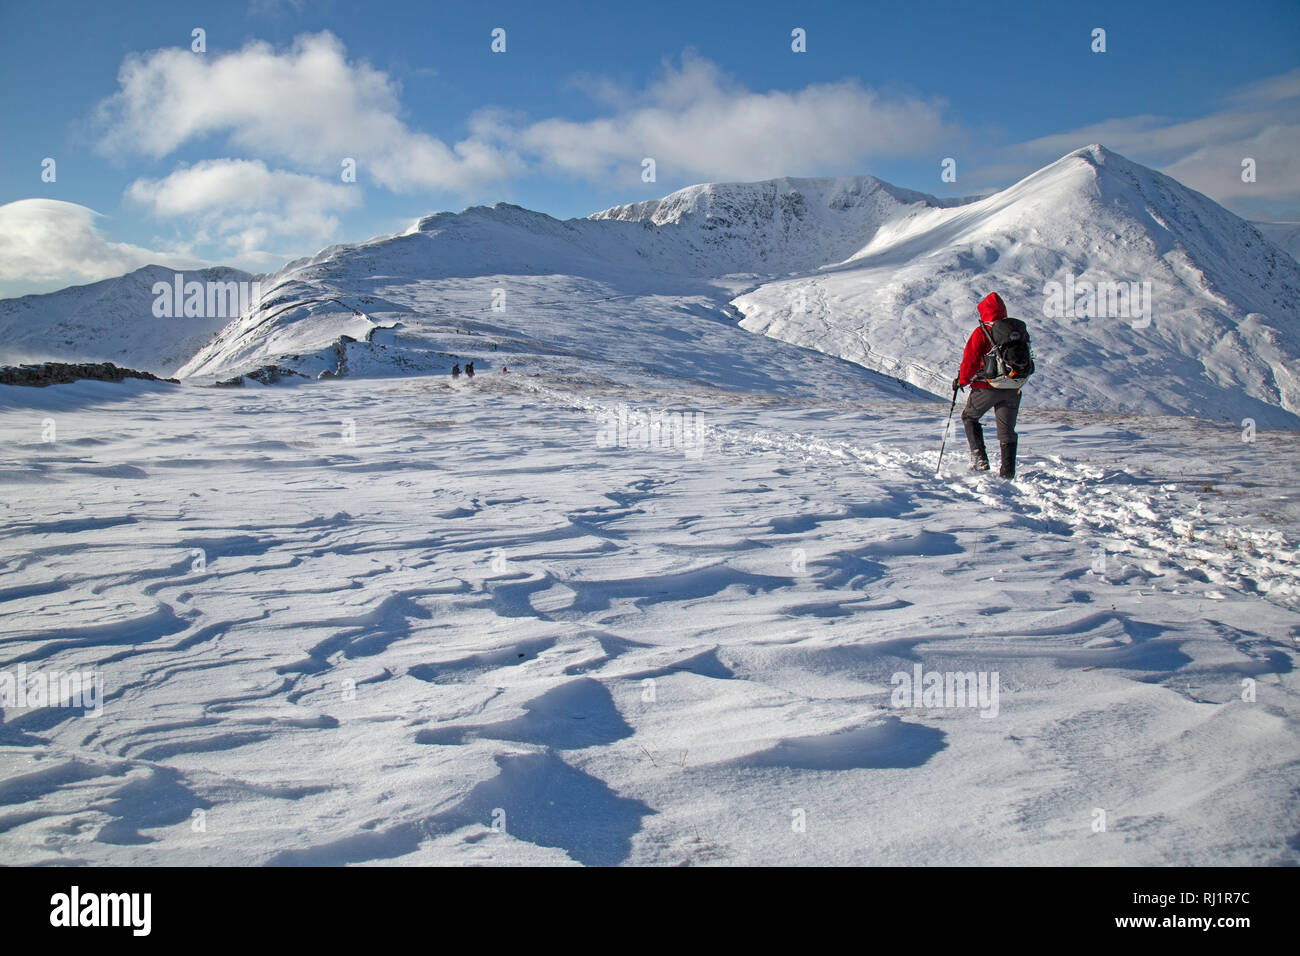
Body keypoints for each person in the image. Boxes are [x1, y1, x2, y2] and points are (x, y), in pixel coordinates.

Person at [953, 292, 1021, 479]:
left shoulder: (982, 331)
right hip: (1013, 386)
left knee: (969, 417)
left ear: (983, 311)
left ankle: (980, 460)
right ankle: (1008, 473)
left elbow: (971, 360)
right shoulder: (1015, 330)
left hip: (988, 386)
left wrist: (962, 381)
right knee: (1007, 430)